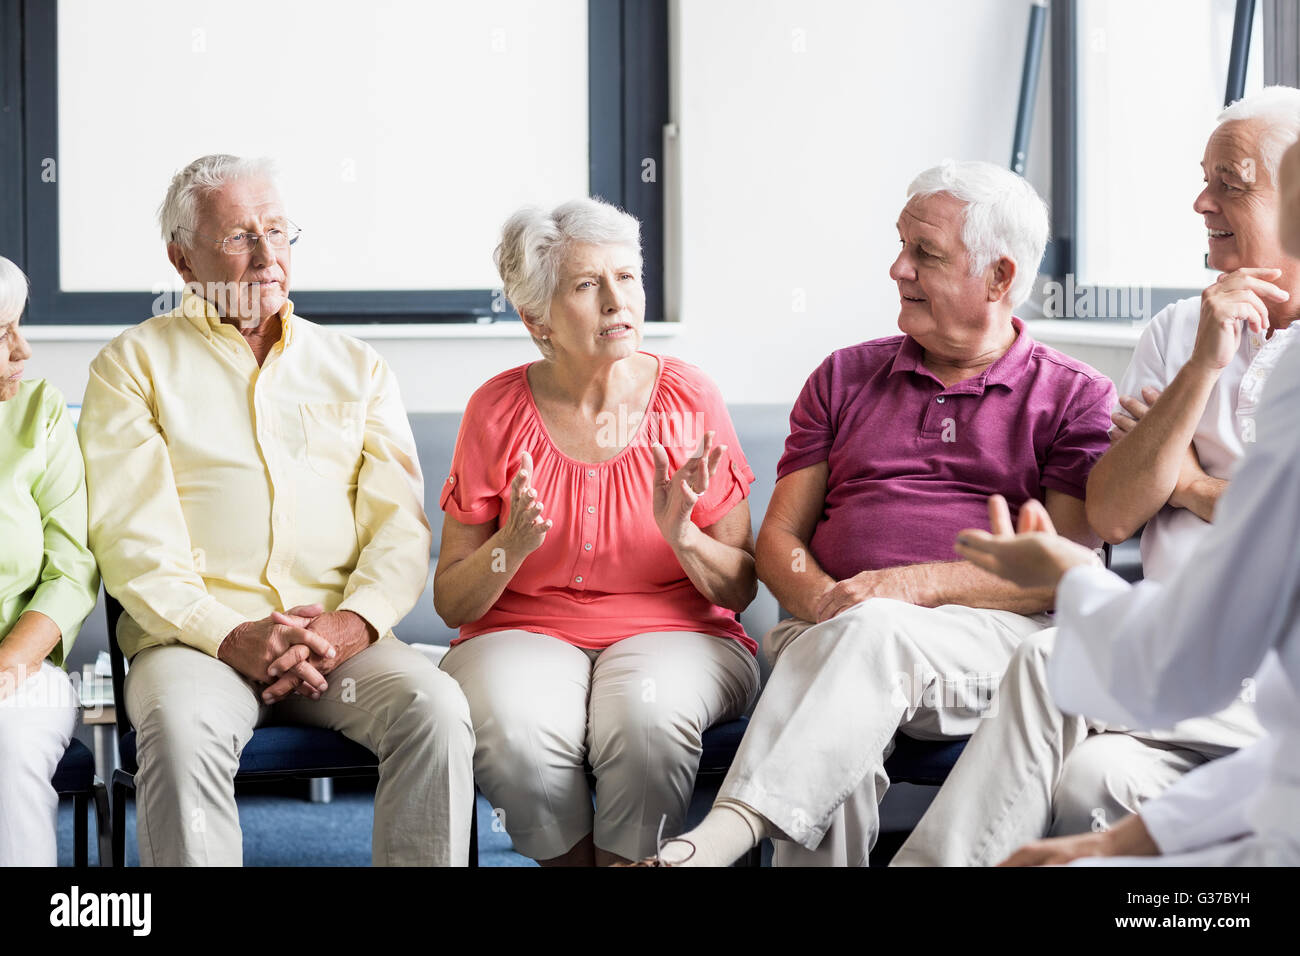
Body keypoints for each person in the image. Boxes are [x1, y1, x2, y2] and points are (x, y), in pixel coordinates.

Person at [642, 161, 1116, 866]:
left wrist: (906, 586)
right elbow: (781, 539)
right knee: (849, 703)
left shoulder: (1075, 397)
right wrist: (825, 602)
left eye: (925, 253)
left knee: (872, 637)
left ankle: (721, 838)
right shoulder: (842, 376)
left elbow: (1061, 573)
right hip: (830, 626)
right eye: (901, 246)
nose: (898, 268)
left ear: (999, 277)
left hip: (992, 639)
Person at [893, 87, 1300, 866]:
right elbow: (1114, 515)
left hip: (1229, 671)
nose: (1201, 201)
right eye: (1203, 177)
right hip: (1193, 686)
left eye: (1231, 182)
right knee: (1092, 781)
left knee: (1049, 661)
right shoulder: (1180, 329)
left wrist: (1190, 486)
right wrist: (1203, 367)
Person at [78, 154, 474, 866]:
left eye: (279, 232)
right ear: (182, 257)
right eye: (238, 237)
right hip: (195, 645)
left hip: (338, 640)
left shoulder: (357, 366)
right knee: (179, 728)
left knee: (436, 711)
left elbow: (399, 530)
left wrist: (349, 626)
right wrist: (232, 635)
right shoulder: (129, 366)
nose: (267, 256)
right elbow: (132, 543)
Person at [435, 198, 760, 866]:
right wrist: (510, 547)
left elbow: (742, 587)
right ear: (536, 321)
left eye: (627, 278)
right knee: (516, 729)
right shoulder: (494, 409)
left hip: (679, 629)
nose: (618, 301)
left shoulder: (691, 398)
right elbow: (452, 603)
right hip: (521, 630)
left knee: (648, 722)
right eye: (587, 285)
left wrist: (685, 537)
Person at [0, 256, 100, 867]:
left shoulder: (40, 413)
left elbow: (72, 569)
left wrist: (8, 664)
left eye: (19, 325)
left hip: (23, 666)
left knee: (8, 745)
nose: (25, 349)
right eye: (0, 334)